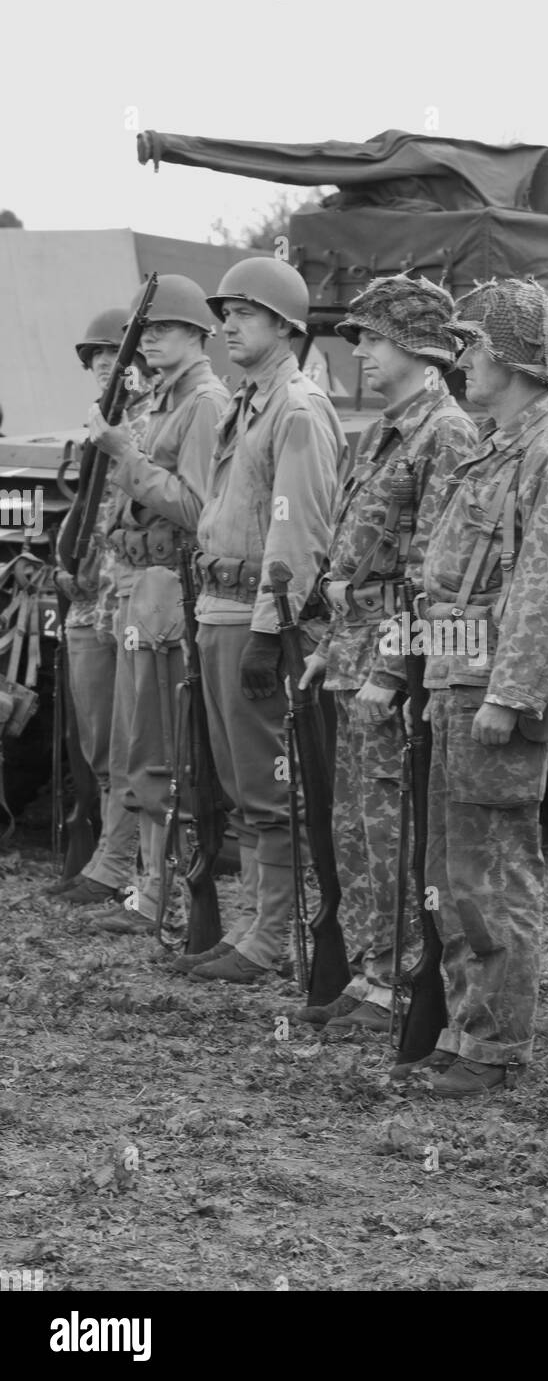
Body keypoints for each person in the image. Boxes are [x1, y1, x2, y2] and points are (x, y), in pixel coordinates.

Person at [400, 278, 548, 1097]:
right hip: (458, 681)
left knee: (496, 874)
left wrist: (510, 696)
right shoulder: (500, 445)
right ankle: (463, 1028)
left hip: (490, 693)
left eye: (474, 347)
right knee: (454, 872)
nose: (461, 362)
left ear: (515, 358)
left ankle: (494, 1045)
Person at [295, 274, 477, 1035]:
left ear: (418, 347)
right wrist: (332, 649)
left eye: (373, 338)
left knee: (392, 825)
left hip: (392, 668)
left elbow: (433, 572)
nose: (360, 352)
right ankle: (373, 971)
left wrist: (392, 669)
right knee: (357, 826)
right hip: (355, 652)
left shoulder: (446, 434)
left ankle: (399, 981)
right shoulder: (382, 431)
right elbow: (360, 557)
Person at [170, 257, 345, 984]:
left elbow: (297, 530)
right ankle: (255, 923)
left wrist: (271, 633)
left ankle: (272, 935)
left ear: (284, 325)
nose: (229, 326)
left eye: (245, 314)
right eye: (227, 315)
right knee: (239, 784)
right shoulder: (246, 403)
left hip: (256, 615)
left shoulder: (296, 409)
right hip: (220, 608)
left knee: (272, 788)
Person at [85, 276, 230, 936]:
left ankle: (167, 892)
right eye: (145, 331)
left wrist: (125, 455)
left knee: (167, 748)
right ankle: (150, 888)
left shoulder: (202, 402)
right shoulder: (170, 400)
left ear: (199, 333)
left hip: (173, 585)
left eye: (164, 328)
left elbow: (198, 508)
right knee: (140, 744)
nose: (149, 341)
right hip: (146, 586)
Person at [46, 309, 148, 906]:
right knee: (98, 746)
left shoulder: (147, 424)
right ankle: (105, 860)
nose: (107, 363)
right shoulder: (96, 424)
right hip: (87, 601)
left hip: (128, 600)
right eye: (97, 356)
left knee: (134, 744)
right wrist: (63, 559)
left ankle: (123, 866)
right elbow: (87, 506)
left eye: (116, 353)